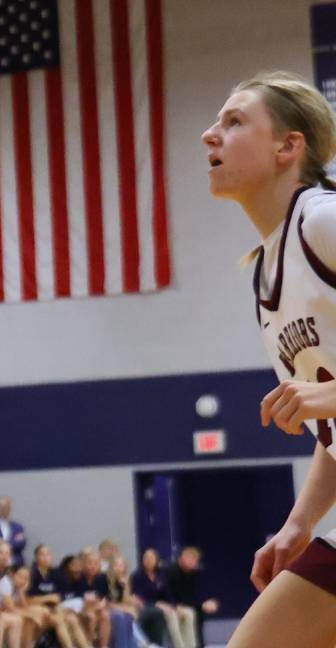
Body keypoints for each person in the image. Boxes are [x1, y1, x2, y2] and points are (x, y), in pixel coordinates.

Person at [201, 71, 336, 647]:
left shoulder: (323, 221)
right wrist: (300, 523)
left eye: (234, 122)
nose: (210, 135)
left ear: (289, 146)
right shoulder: (266, 275)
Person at [164, 546, 217, 648]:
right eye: (191, 559)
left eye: (195, 560)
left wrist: (204, 603)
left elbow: (196, 594)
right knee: (189, 613)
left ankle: (198, 645)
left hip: (186, 604)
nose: (194, 562)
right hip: (171, 604)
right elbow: (167, 593)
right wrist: (175, 606)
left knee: (198, 611)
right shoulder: (171, 571)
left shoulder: (194, 574)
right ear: (182, 558)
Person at [130, 548, 182, 648]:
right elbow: (140, 597)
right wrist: (157, 604)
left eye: (151, 557)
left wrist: (173, 606)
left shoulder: (162, 574)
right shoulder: (137, 576)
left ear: (157, 560)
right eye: (146, 557)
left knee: (180, 614)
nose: (148, 560)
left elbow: (168, 593)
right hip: (145, 606)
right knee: (164, 613)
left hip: (161, 606)